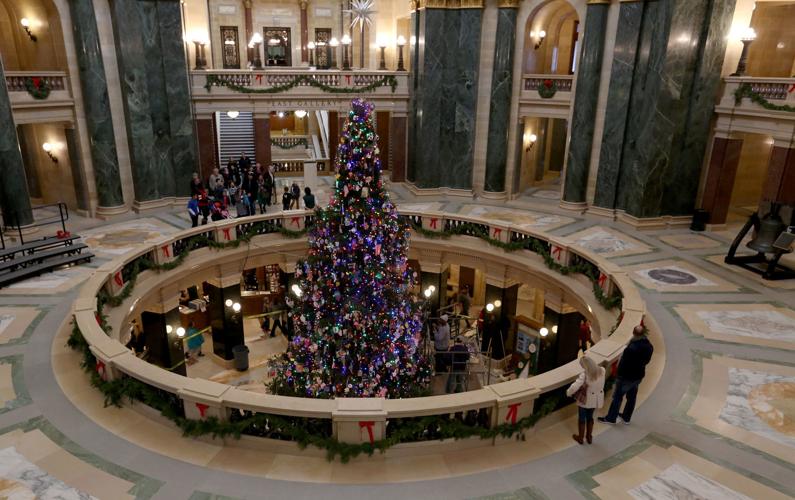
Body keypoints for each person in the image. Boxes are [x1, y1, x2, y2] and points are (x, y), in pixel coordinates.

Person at [599, 325, 654, 425]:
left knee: (617, 397)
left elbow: (624, 364)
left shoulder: (631, 349)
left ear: (634, 333)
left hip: (626, 377)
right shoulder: (649, 346)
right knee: (632, 397)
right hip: (638, 376)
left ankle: (611, 418)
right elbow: (647, 361)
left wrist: (619, 374)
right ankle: (626, 417)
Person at [566, 355, 605, 444]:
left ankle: (580, 438)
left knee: (582, 418)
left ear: (586, 366)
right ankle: (589, 436)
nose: (582, 367)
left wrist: (568, 393)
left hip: (585, 400)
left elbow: (574, 386)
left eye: (582, 366)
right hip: (596, 400)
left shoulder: (584, 375)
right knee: (590, 417)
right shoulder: (602, 370)